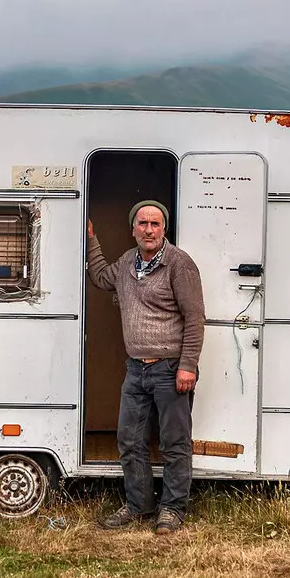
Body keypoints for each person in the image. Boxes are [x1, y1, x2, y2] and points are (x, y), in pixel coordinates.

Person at [86, 200, 205, 534]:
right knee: (131, 441)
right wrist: (91, 239)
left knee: (174, 443)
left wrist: (188, 366)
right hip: (136, 369)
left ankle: (172, 509)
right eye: (143, 224)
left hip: (170, 369)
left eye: (155, 224)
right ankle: (139, 505)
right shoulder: (126, 262)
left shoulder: (179, 264)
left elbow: (195, 318)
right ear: (133, 229)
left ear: (164, 228)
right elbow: (99, 277)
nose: (149, 230)